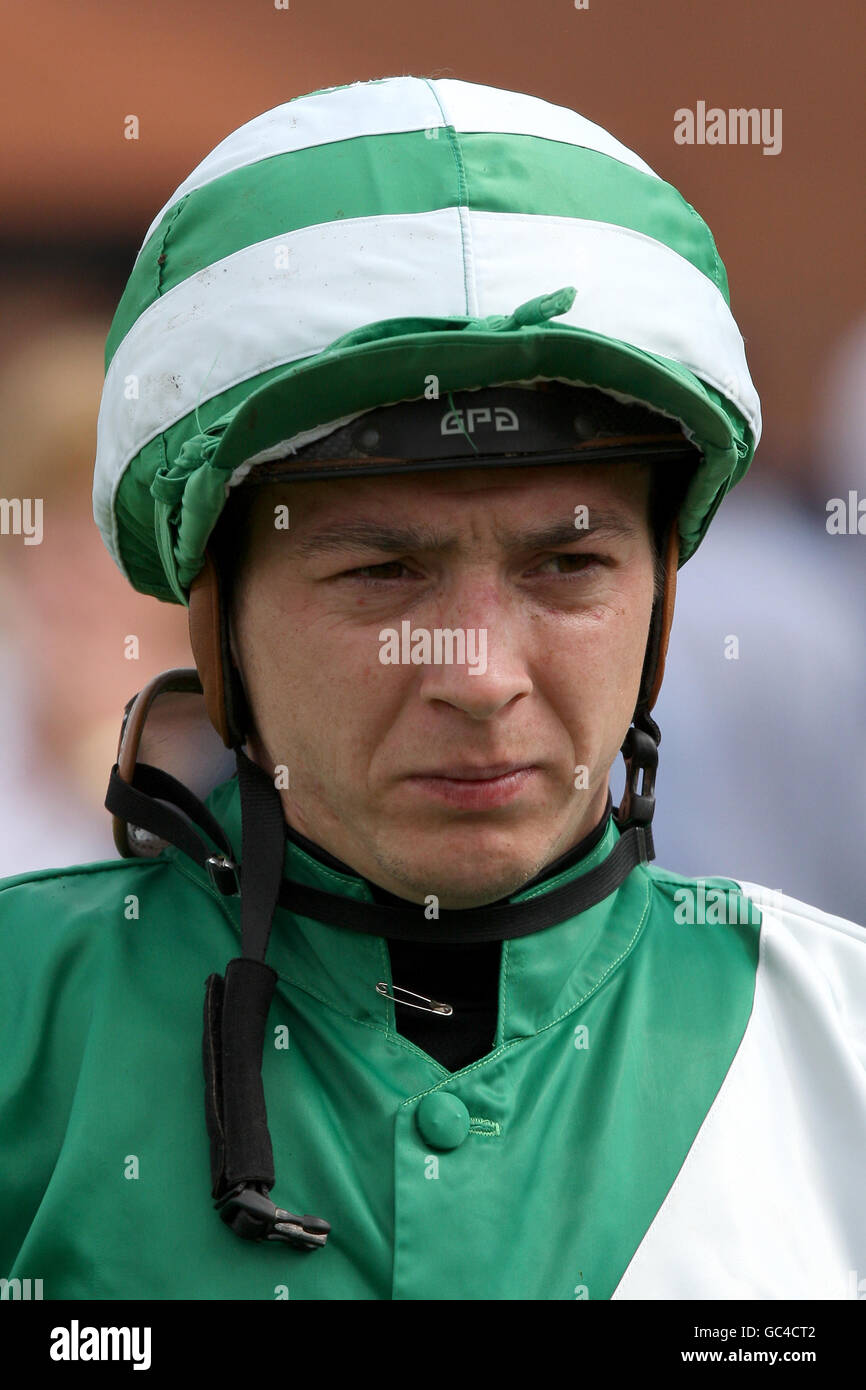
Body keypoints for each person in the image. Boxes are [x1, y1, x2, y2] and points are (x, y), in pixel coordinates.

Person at [1, 75, 863, 1302]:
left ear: (664, 598)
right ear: (214, 610)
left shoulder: (842, 1056)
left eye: (565, 566)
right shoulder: (18, 1039)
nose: (475, 673)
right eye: (380, 571)